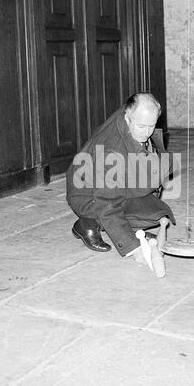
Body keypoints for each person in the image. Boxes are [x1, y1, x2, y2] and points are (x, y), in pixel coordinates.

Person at [66, 92, 176, 265]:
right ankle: (88, 223)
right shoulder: (112, 152)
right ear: (127, 119)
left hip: (106, 182)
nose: (147, 133)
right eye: (141, 126)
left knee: (156, 211)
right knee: (143, 213)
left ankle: (125, 227)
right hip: (87, 195)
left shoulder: (131, 112)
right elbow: (107, 203)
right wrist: (133, 248)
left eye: (151, 126)